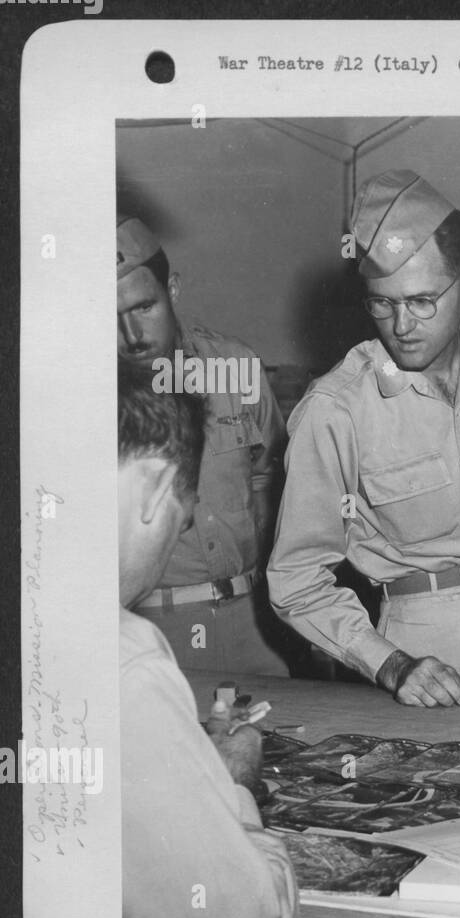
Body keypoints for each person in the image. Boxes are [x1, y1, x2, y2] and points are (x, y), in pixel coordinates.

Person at [268, 170, 460, 710]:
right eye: (382, 303)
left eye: (423, 300)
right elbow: (295, 578)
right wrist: (390, 664)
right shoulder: (337, 409)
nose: (401, 324)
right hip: (420, 656)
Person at [118, 367, 297, 918]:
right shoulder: (125, 660)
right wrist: (233, 787)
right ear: (155, 487)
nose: (178, 537)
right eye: (183, 513)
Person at [116, 214, 293, 676]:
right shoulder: (93, 396)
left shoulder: (235, 366)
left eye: (143, 308)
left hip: (256, 622)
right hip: (153, 627)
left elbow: (272, 484)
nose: (133, 336)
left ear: (172, 289)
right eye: (111, 318)